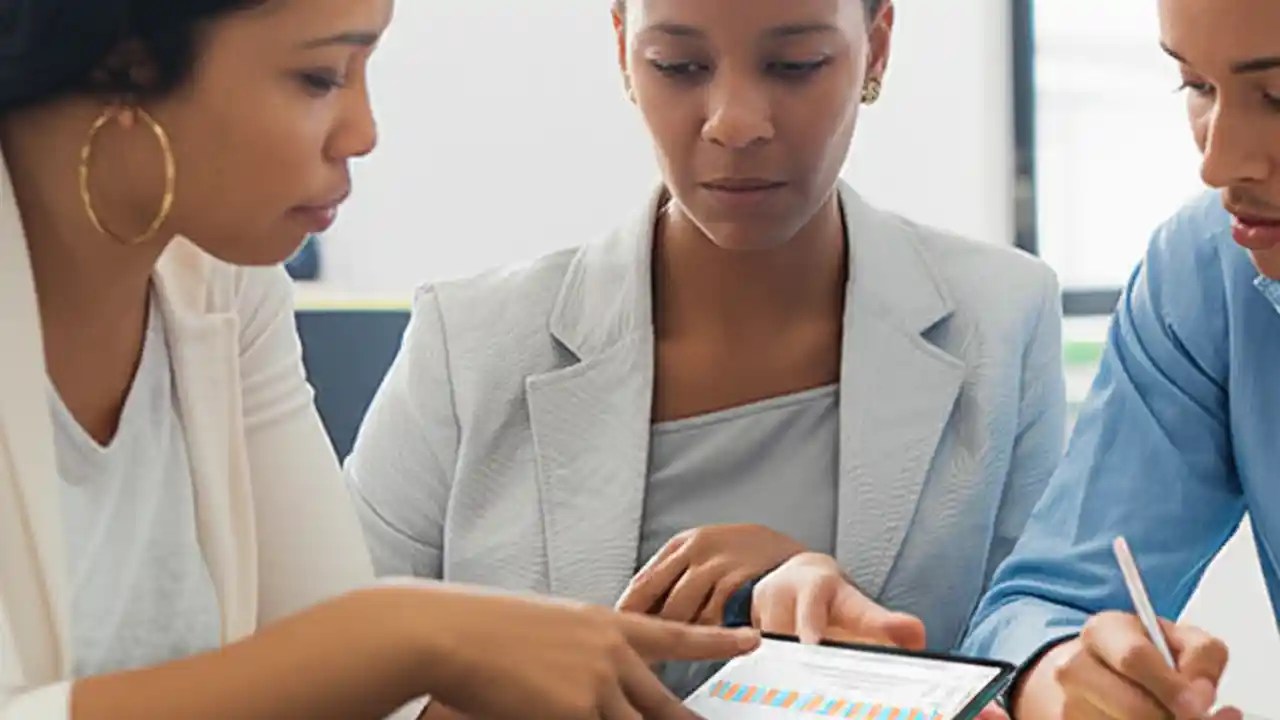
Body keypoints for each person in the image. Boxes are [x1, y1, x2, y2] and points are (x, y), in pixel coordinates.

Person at [0, 1, 762, 718]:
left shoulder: (222, 283)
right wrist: (411, 636)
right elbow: (356, 651)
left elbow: (334, 672)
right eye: (320, 77)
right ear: (126, 62)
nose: (363, 133)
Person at [343, 0, 1067, 703]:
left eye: (795, 64)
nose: (736, 122)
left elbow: (1032, 664)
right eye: (678, 65)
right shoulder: (468, 346)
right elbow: (324, 672)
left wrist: (852, 659)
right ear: (623, 49)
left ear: (875, 48)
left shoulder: (1002, 320)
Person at [956, 0, 1280, 717]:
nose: (1218, 164)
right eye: (1197, 86)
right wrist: (1070, 682)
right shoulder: (1207, 271)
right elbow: (1043, 607)